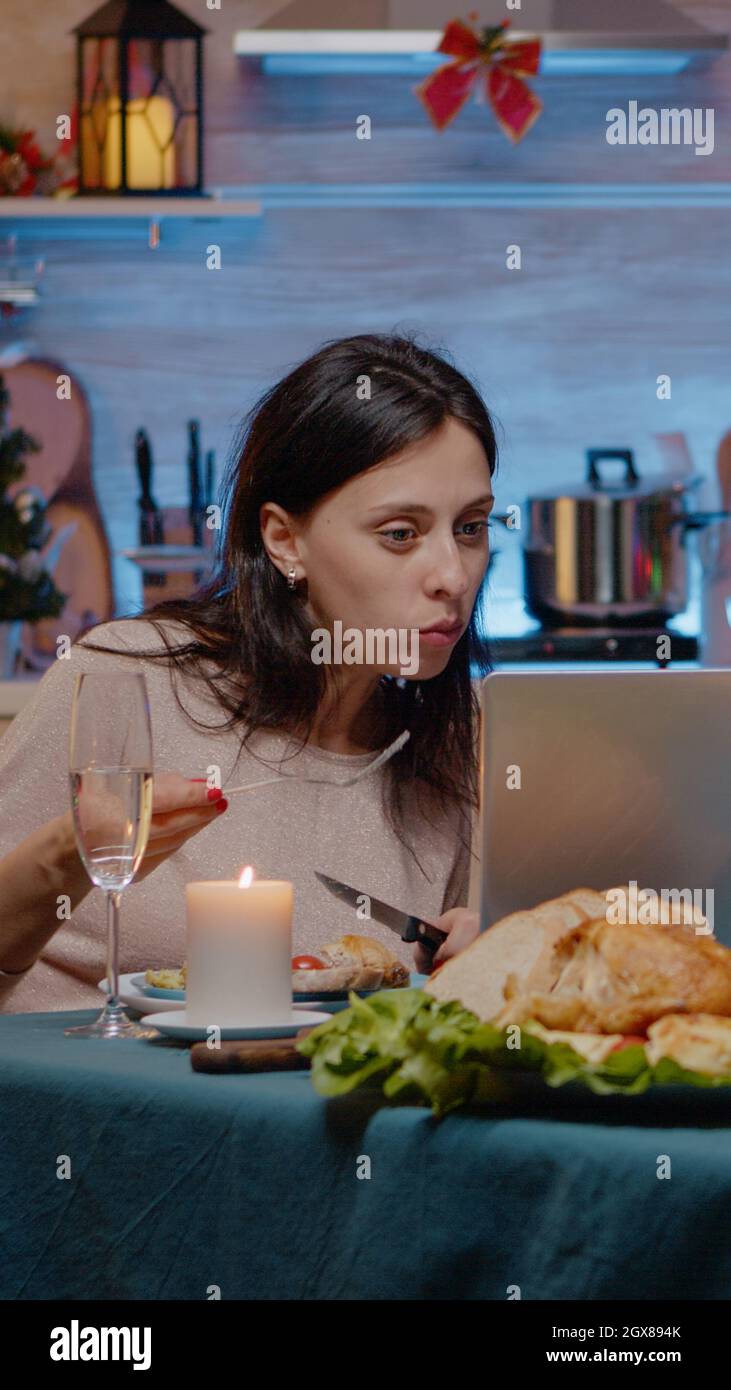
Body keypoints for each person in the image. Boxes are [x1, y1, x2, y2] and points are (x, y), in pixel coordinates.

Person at [0, 332, 491, 1012]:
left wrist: (480, 962)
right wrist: (69, 853)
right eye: (400, 534)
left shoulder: (458, 737)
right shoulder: (123, 679)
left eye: (470, 527)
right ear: (285, 541)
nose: (452, 575)